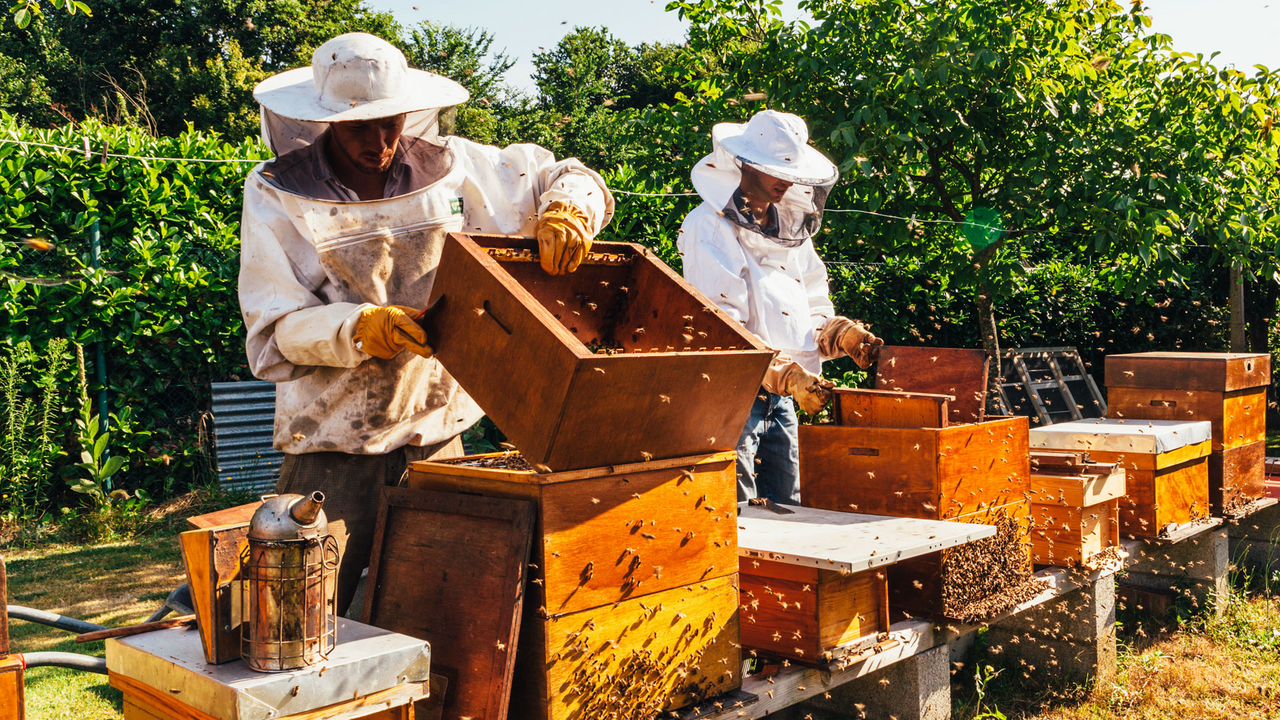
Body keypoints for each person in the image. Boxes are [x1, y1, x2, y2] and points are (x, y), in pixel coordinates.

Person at [238, 33, 614, 614]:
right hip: (332, 440)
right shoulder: (276, 193)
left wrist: (567, 208)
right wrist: (358, 328)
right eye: (360, 128)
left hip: (438, 434)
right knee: (301, 612)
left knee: (444, 610)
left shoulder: (455, 167)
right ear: (325, 122)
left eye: (390, 123)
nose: (380, 142)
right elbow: (273, 328)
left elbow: (561, 173)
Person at [678, 110, 880, 504]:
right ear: (745, 165)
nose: (785, 181)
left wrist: (838, 333)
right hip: (733, 398)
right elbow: (721, 329)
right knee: (739, 514)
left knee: (788, 506)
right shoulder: (709, 226)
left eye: (791, 172)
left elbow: (811, 300)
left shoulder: (791, 228)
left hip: (783, 397)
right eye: (773, 169)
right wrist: (784, 375)